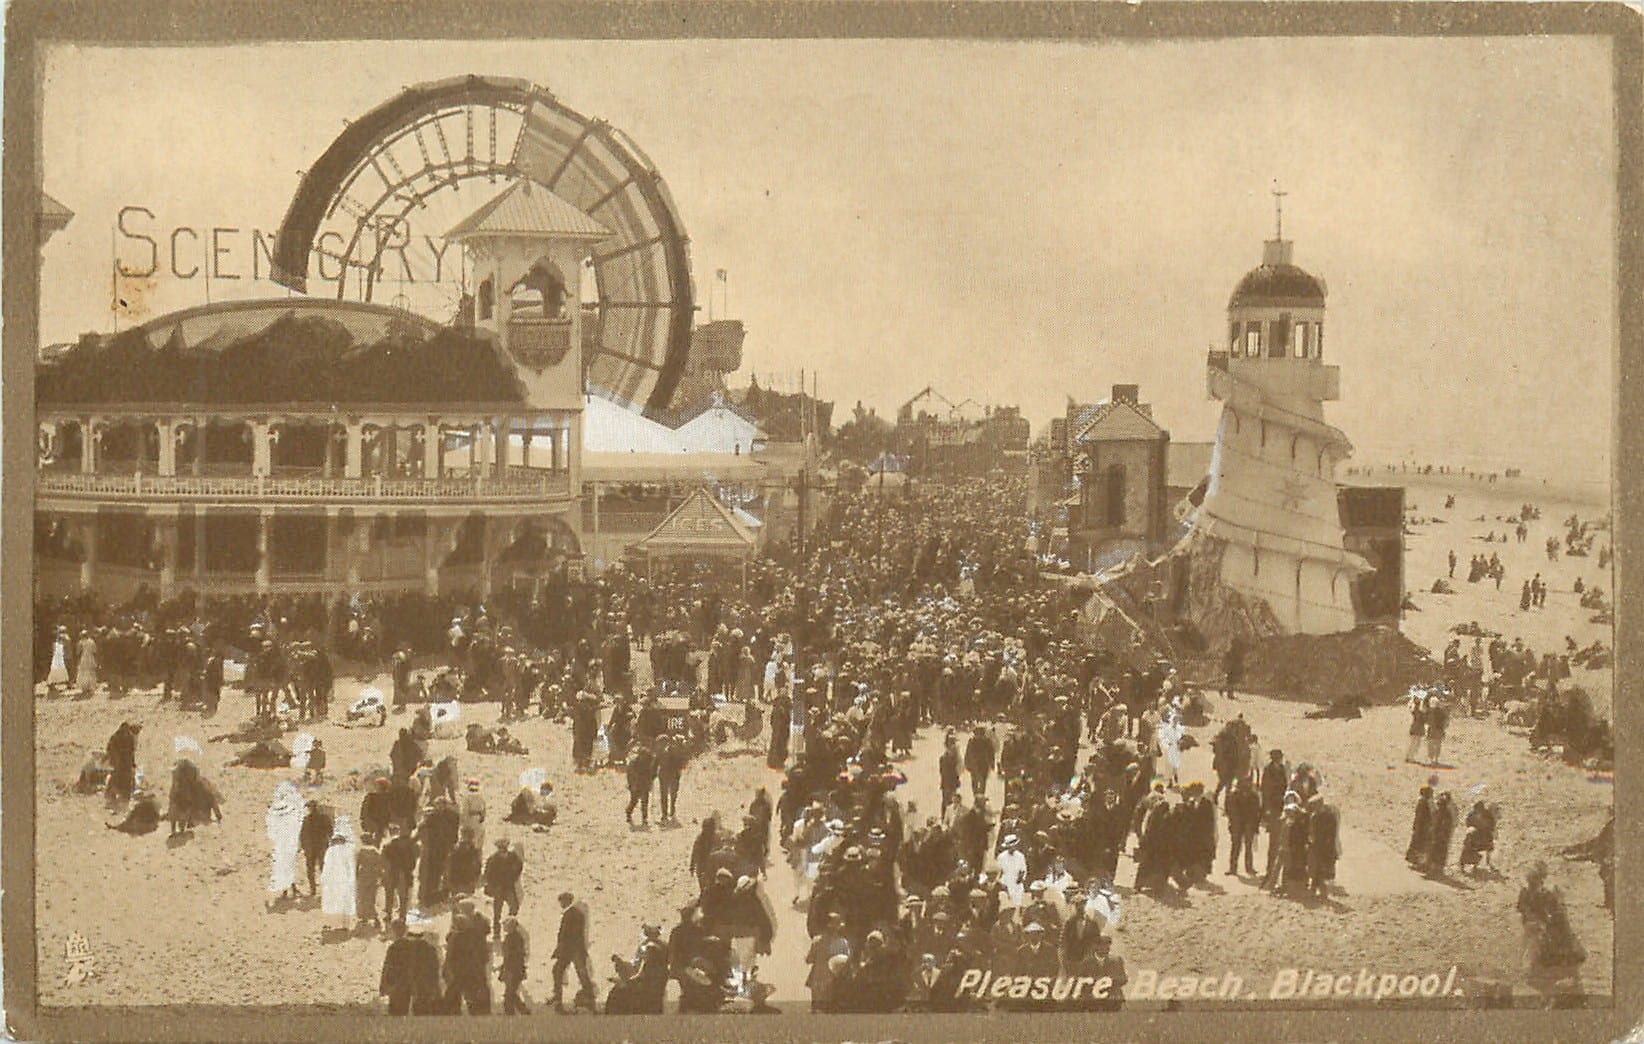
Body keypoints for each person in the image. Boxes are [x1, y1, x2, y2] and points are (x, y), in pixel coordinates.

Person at [1517, 862, 1586, 991]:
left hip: (1541, 923)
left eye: (1536, 880)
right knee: (1531, 944)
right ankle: (1530, 969)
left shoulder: (1546, 892)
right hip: (1533, 923)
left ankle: (1534, 968)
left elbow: (1552, 909)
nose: (1534, 883)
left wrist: (1544, 919)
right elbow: (1522, 907)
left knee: (1535, 945)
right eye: (1532, 880)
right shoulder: (1530, 891)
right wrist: (1532, 917)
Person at [606, 923, 669, 1014]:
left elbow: (639, 978)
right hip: (648, 997)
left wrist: (625, 982)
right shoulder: (658, 962)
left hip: (645, 1000)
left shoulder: (652, 964)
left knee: (617, 992)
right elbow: (636, 971)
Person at [442, 903, 492, 1014]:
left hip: (459, 968)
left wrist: (446, 967)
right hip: (472, 967)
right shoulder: (473, 932)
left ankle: (452, 1011)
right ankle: (478, 1010)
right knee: (472, 991)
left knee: (456, 991)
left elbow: (451, 954)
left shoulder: (456, 937)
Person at [551, 891, 596, 1012]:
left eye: (561, 901)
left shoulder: (570, 914)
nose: (561, 904)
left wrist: (560, 949)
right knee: (582, 975)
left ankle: (558, 1001)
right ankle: (590, 1001)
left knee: (559, 972)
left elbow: (566, 934)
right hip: (575, 949)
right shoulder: (576, 913)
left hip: (570, 950)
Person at [266, 781, 305, 901]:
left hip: (280, 844)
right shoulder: (291, 812)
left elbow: (271, 830)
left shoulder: (274, 812)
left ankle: (286, 889)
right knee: (289, 866)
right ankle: (290, 888)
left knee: (283, 866)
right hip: (289, 843)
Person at [320, 815, 358, 934]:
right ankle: (344, 924)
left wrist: (324, 879)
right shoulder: (348, 851)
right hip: (344, 880)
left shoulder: (330, 851)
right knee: (344, 902)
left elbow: (326, 866)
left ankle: (330, 923)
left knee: (331, 901)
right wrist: (352, 881)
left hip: (333, 880)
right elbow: (351, 867)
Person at [484, 838, 525, 935]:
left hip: (508, 887)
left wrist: (513, 877)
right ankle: (496, 931)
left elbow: (519, 866)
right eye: (500, 848)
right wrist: (493, 885)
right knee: (497, 911)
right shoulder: (493, 859)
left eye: (504, 847)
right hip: (498, 888)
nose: (502, 849)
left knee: (514, 907)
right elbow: (488, 874)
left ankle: (510, 925)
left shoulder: (512, 857)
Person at [1224, 776, 1261, 876]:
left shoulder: (1253, 796)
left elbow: (1257, 811)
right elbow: (1228, 810)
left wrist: (1255, 825)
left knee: (1247, 846)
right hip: (1238, 823)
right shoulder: (1233, 795)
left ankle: (1248, 868)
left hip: (1248, 823)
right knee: (1236, 846)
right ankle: (1233, 868)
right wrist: (1232, 820)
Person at [1304, 794, 1339, 898]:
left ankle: (1321, 891)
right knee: (1316, 870)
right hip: (1317, 847)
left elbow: (1331, 834)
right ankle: (1316, 890)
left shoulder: (1329, 816)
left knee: (1324, 870)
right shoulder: (1315, 817)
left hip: (1326, 848)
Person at [299, 800, 335, 897]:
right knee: (322, 869)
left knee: (311, 870)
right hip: (321, 846)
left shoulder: (306, 820)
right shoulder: (324, 818)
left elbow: (302, 835)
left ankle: (313, 890)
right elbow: (331, 832)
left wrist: (303, 847)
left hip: (312, 848)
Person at [499, 917, 531, 1014]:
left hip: (513, 969)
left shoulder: (513, 938)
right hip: (513, 968)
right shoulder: (515, 937)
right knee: (511, 992)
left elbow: (511, 955)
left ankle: (511, 1012)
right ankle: (522, 1010)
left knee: (510, 992)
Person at [1459, 800, 1497, 874]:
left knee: (1470, 846)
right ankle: (1466, 864)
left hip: (1483, 838)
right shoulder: (1475, 815)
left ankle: (1469, 864)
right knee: (1469, 846)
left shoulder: (1487, 815)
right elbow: (1468, 823)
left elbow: (1491, 827)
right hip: (1476, 838)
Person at [657, 732, 687, 824]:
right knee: (672, 795)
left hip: (666, 775)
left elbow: (658, 763)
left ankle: (665, 815)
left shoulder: (664, 751)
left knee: (665, 795)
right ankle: (671, 814)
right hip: (673, 775)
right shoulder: (678, 752)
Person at [1425, 790, 1456, 877]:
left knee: (1438, 854)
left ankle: (1436, 872)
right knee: (1436, 853)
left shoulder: (1446, 814)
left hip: (1441, 838)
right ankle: (1433, 870)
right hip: (1439, 837)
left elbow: (1445, 826)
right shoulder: (1442, 812)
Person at [626, 740, 657, 826]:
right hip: (636, 784)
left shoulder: (649, 761)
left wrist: (651, 780)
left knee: (645, 802)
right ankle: (628, 813)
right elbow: (631, 775)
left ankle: (644, 818)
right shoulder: (634, 763)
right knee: (634, 801)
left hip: (644, 784)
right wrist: (632, 785)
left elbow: (653, 772)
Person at [1405, 695, 1428, 763]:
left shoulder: (1415, 710)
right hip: (1418, 727)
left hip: (1415, 727)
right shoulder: (1419, 711)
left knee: (1413, 743)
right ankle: (1410, 757)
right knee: (1416, 743)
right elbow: (1423, 718)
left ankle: (1409, 756)